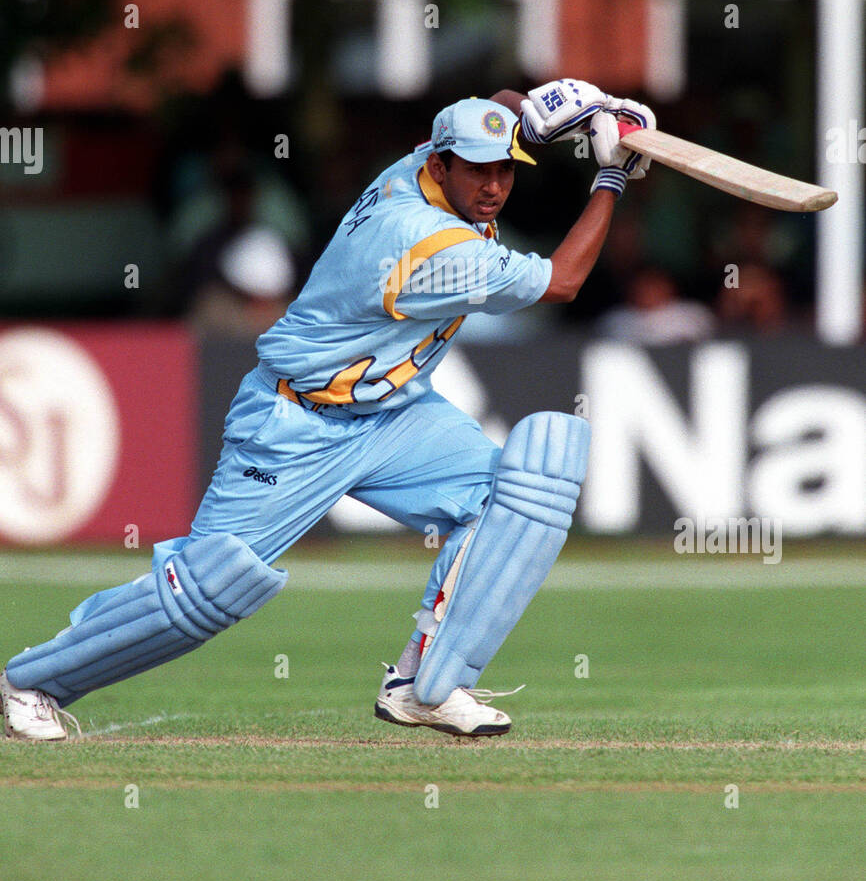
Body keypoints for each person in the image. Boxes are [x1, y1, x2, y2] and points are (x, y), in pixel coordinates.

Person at [1, 81, 655, 742]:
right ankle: (31, 680)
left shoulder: (417, 165)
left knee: (521, 488)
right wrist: (610, 176)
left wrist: (558, 109)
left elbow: (496, 110)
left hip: (392, 416)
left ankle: (425, 684)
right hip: (294, 425)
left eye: (504, 170)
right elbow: (565, 281)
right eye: (479, 172)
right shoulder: (426, 246)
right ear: (440, 165)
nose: (492, 188)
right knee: (209, 591)